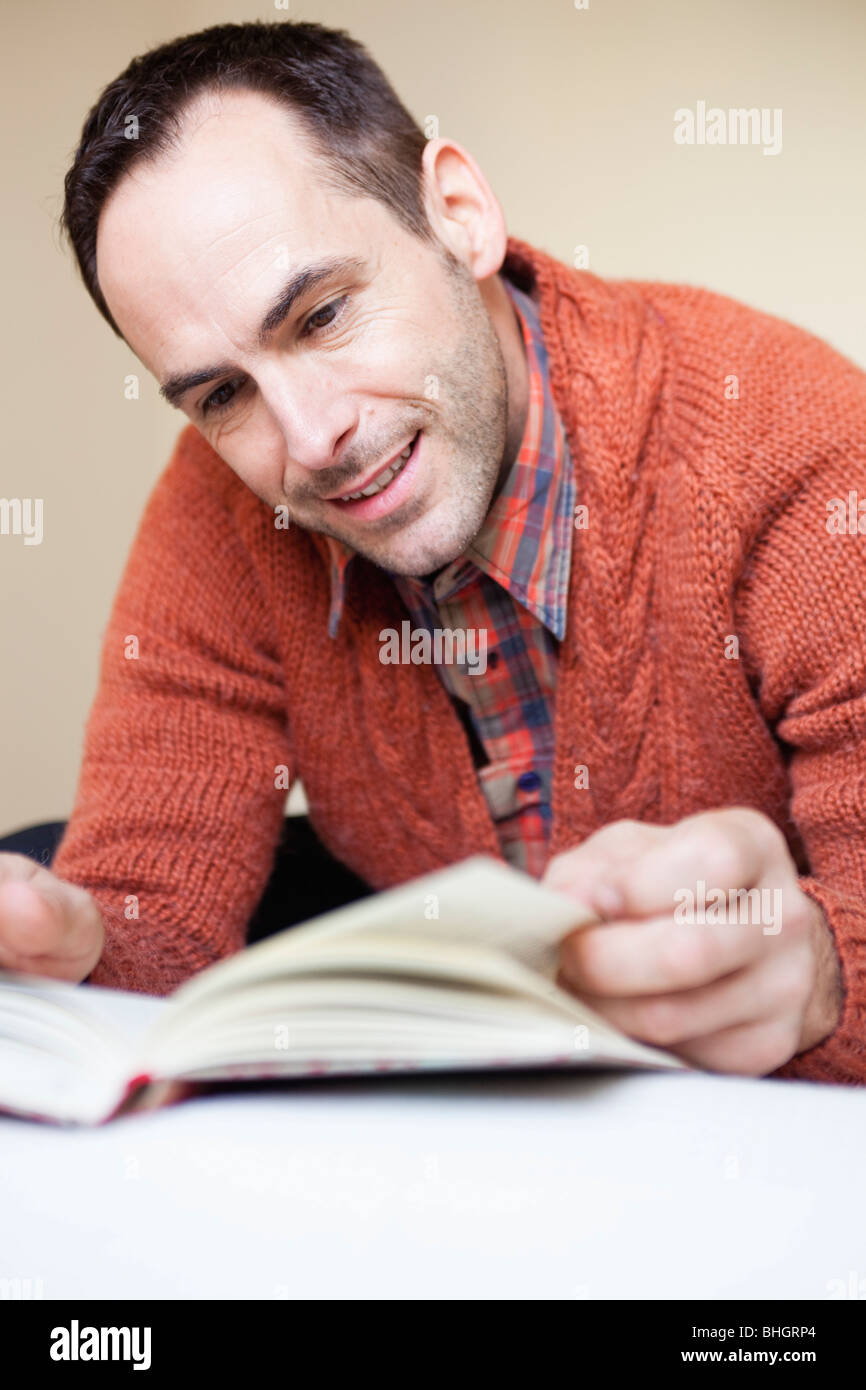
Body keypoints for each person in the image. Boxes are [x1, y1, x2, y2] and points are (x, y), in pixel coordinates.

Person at [2, 19, 865, 1084]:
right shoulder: (221, 515)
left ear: (458, 214)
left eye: (320, 315)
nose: (310, 439)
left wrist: (829, 979)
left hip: (747, 1127)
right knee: (43, 853)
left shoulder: (793, 442)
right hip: (460, 1136)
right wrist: (80, 953)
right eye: (222, 396)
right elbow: (153, 919)